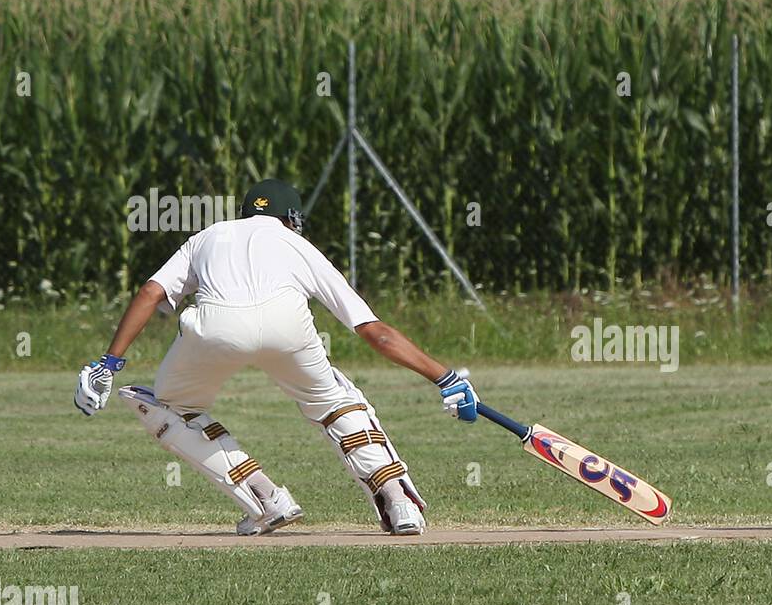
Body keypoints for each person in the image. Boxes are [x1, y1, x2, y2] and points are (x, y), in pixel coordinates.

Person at [73, 179, 479, 537]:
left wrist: (108, 363)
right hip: (289, 328)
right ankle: (398, 502)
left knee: (170, 407)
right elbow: (375, 331)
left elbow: (150, 293)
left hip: (215, 329)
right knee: (336, 402)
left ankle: (268, 498)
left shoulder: (208, 236)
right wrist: (444, 378)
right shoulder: (298, 245)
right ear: (292, 218)